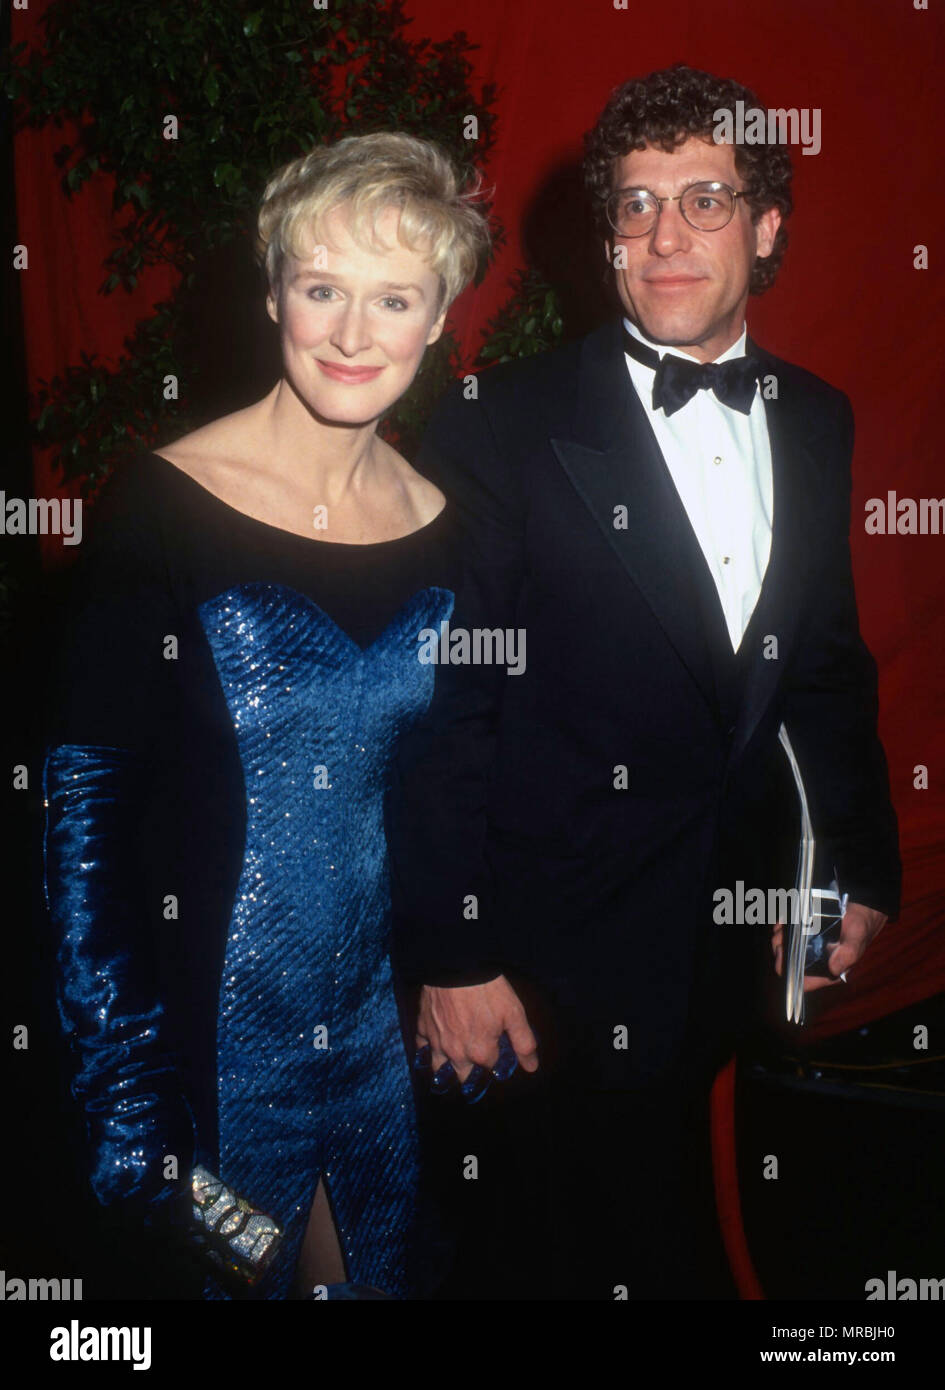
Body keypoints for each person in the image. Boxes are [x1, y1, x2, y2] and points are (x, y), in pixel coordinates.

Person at [388, 65, 901, 1300]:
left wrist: (851, 866)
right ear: (605, 233)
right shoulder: (492, 424)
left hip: (713, 951)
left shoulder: (817, 418)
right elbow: (444, 708)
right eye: (635, 205)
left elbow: (823, 666)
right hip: (533, 970)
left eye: (706, 199)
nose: (666, 236)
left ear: (767, 227)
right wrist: (454, 957)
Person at [41, 131, 489, 1300]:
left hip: (376, 1040)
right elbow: (82, 820)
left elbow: (448, 790)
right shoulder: (161, 505)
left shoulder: (449, 519)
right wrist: (126, 1089)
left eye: (393, 298)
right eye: (322, 287)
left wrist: (464, 962)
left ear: (437, 318)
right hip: (204, 1054)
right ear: (274, 290)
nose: (352, 334)